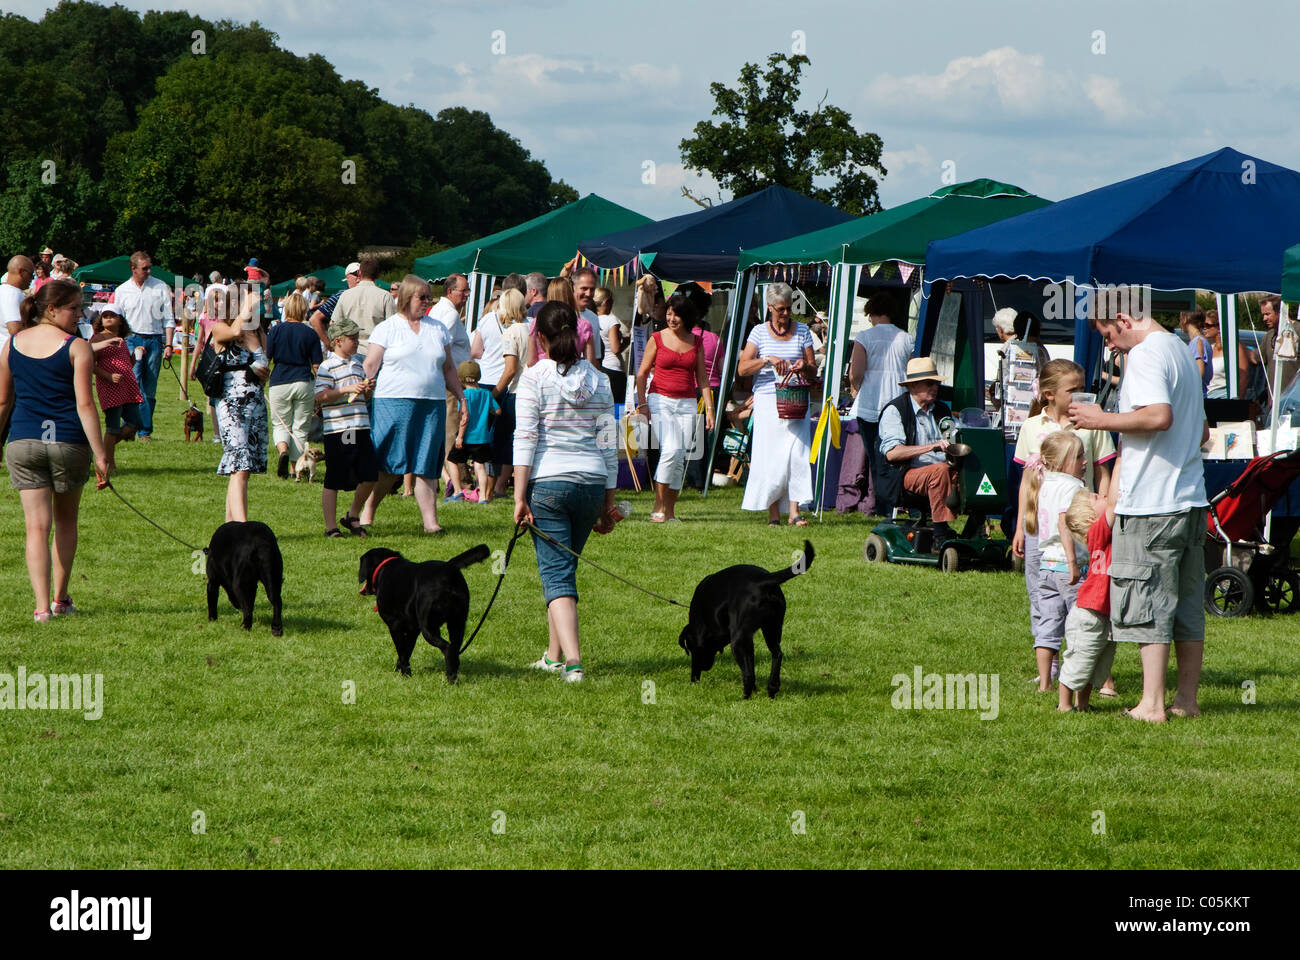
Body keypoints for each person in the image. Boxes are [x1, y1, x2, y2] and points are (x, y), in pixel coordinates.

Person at [1070, 307, 1209, 723]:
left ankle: (1151, 704)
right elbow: (1200, 431)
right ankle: (1186, 700)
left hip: (1152, 504)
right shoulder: (1183, 350)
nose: (1108, 345)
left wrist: (1101, 419)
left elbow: (1158, 416)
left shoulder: (1147, 353)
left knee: (1149, 603)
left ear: (1123, 317)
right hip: (1190, 500)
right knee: (1185, 606)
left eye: (1107, 334)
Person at [514, 299, 619, 684]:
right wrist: (608, 501)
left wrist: (518, 495)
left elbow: (525, 438)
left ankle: (573, 663)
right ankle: (553, 656)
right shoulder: (601, 379)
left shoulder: (534, 378)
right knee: (565, 570)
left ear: (539, 337)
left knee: (557, 575)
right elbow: (609, 443)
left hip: (550, 483)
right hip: (591, 484)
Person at [0, 280, 110, 622]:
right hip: (67, 441)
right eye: (74, 308)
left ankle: (42, 607)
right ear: (51, 309)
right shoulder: (76, 347)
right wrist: (102, 454)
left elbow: (3, 400)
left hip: (23, 441)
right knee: (65, 521)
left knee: (36, 527)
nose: (80, 315)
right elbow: (85, 404)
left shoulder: (12, 344)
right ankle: (61, 599)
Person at [1010, 358, 1116, 690]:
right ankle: (1050, 667)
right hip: (1040, 529)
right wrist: (1019, 527)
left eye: (1083, 387)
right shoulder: (1031, 427)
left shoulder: (1092, 423)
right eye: (1073, 390)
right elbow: (1028, 482)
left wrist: (1104, 518)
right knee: (1042, 595)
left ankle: (1093, 670)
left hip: (1080, 527)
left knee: (1085, 599)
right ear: (1049, 395)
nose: (1081, 394)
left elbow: (1103, 474)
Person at [361, 275, 466, 534]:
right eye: (423, 297)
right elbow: (371, 364)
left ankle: (431, 523)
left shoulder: (438, 328)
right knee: (389, 464)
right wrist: (362, 383)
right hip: (393, 402)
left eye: (429, 297)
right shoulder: (387, 328)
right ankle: (367, 510)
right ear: (407, 298)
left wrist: (462, 398)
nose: (427, 302)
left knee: (426, 464)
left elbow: (449, 368)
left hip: (432, 404)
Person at [736, 282, 817, 526]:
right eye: (780, 309)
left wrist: (805, 366)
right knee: (770, 456)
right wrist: (766, 360)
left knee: (797, 454)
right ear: (770, 307)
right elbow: (742, 369)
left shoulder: (802, 331)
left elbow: (814, 371)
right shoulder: (759, 332)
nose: (785, 313)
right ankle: (773, 514)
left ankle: (794, 511)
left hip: (795, 399)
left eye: (788, 308)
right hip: (768, 400)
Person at [634, 291, 715, 522]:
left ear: (686, 317)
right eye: (669, 314)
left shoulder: (696, 341)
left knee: (679, 456)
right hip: (660, 400)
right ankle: (658, 506)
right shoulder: (657, 338)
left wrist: (709, 409)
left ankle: (670, 512)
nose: (671, 319)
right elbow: (641, 374)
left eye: (676, 315)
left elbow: (703, 380)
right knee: (670, 449)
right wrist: (642, 404)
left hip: (688, 403)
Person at [1020, 431, 1087, 692]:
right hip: (1068, 568)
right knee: (1079, 623)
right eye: (1079, 456)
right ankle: (1077, 680)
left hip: (1046, 565)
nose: (1084, 461)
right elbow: (1064, 523)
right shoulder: (1072, 487)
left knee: (1048, 625)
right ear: (1062, 462)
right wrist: (1072, 561)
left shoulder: (1043, 483)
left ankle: (1045, 683)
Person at [1058, 468, 1121, 713]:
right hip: (1088, 613)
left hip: (1104, 613)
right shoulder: (1097, 531)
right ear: (1089, 519)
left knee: (1094, 663)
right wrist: (1119, 467)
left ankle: (1082, 705)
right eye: (1096, 498)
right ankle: (1064, 704)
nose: (1103, 496)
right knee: (1078, 659)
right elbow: (1113, 507)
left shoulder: (1108, 532)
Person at [877, 357, 959, 544]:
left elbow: (954, 437)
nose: (935, 387)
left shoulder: (941, 409)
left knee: (970, 473)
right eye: (929, 383)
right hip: (904, 473)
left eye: (937, 383)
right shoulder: (895, 410)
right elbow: (892, 453)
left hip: (939, 469)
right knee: (940, 471)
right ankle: (940, 532)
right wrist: (931, 446)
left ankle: (977, 527)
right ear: (913, 386)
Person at [847, 292, 913, 517]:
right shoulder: (905, 338)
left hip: (870, 404)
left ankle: (880, 505)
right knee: (895, 457)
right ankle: (894, 505)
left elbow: (856, 372)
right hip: (897, 403)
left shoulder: (864, 337)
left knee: (876, 460)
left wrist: (855, 388)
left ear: (872, 313)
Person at [210, 283, 269, 521]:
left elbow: (264, 362)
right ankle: (242, 527)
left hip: (254, 401)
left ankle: (230, 525)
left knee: (243, 468)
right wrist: (246, 307)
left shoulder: (256, 332)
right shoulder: (220, 328)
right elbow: (234, 333)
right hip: (230, 402)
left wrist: (263, 372)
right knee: (240, 463)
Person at [314, 318, 378, 537]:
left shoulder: (358, 363)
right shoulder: (327, 366)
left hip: (361, 426)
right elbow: (321, 396)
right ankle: (331, 527)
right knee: (335, 475)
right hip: (341, 429)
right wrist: (346, 389)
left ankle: (352, 515)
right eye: (352, 338)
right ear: (338, 341)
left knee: (370, 473)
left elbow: (359, 396)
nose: (356, 342)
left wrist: (367, 389)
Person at [111, 252, 175, 441]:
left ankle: (133, 426)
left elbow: (169, 319)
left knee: (150, 389)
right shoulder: (122, 290)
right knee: (135, 386)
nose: (148, 271)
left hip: (155, 340)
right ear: (133, 268)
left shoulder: (160, 287)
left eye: (149, 267)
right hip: (132, 340)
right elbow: (116, 320)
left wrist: (169, 345)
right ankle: (143, 430)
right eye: (144, 268)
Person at [266, 291, 324, 478]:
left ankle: (283, 450)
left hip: (279, 381)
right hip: (303, 381)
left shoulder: (275, 330)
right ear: (304, 310)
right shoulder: (310, 333)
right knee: (300, 427)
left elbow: (266, 359)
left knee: (280, 424)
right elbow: (316, 365)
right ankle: (294, 468)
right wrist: (322, 389)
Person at [429, 273, 473, 501]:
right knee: (453, 432)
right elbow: (437, 344)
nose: (466, 295)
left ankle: (448, 477)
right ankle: (459, 482)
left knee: (448, 430)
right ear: (450, 291)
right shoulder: (450, 315)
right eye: (463, 291)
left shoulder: (441, 311)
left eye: (467, 291)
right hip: (450, 381)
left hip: (446, 379)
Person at [90, 309, 143, 472]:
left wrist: (135, 356)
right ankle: (108, 463)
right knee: (112, 425)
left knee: (135, 422)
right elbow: (91, 364)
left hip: (127, 385)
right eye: (105, 316)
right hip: (109, 385)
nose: (108, 319)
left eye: (112, 316)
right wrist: (108, 375)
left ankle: (104, 450)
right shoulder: (97, 338)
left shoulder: (122, 339)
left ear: (120, 320)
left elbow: (127, 364)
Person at [490, 288, 529, 498]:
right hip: (534, 390)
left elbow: (510, 369)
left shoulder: (511, 332)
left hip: (517, 391)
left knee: (505, 438)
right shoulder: (533, 326)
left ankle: (500, 485)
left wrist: (493, 394)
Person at [447, 360, 500, 503]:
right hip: (482, 438)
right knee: (479, 466)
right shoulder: (486, 393)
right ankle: (483, 497)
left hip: (467, 437)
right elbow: (498, 411)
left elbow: (464, 418)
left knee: (451, 460)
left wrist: (460, 438)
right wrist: (486, 413)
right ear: (479, 376)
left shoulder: (464, 395)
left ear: (459, 379)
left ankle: (458, 492)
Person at [333, 257, 395, 354]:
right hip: (375, 351)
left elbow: (335, 324)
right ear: (379, 275)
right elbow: (392, 329)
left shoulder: (345, 295)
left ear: (359, 273)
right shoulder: (385, 296)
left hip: (350, 350)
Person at [1256, 295, 1300, 408]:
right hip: (1273, 404)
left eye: (1267, 314)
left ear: (1280, 312)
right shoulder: (1270, 335)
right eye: (1263, 315)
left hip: (1294, 404)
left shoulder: (1297, 331)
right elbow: (1255, 358)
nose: (1264, 319)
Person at [308, 262, 361, 349]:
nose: (360, 278)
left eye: (362, 275)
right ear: (347, 277)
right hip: (345, 350)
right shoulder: (341, 294)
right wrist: (329, 345)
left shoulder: (368, 293)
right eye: (356, 274)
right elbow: (314, 319)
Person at [595, 285, 628, 401]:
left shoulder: (592, 319)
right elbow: (615, 349)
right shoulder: (611, 320)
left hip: (599, 367)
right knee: (617, 408)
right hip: (613, 369)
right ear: (606, 302)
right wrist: (627, 340)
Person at [1181, 310, 1212, 395]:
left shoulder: (1197, 342)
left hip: (1195, 396)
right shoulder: (1201, 341)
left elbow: (1199, 373)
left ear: (1185, 319)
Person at [1203, 309, 1229, 400]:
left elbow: (1243, 376)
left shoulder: (1229, 349)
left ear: (1218, 327)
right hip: (1207, 395)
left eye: (1208, 325)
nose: (1204, 328)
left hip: (1223, 396)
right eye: (1203, 325)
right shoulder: (1208, 348)